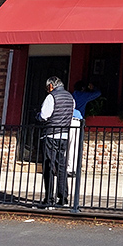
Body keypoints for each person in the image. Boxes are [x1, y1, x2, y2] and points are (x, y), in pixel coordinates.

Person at [37, 76, 75, 208]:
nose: (48, 90)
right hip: (64, 135)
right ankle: (63, 197)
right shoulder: (70, 97)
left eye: (48, 87)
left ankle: (49, 199)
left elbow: (44, 115)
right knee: (61, 166)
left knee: (48, 166)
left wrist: (38, 116)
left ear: (51, 86)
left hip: (51, 134)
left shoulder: (51, 97)